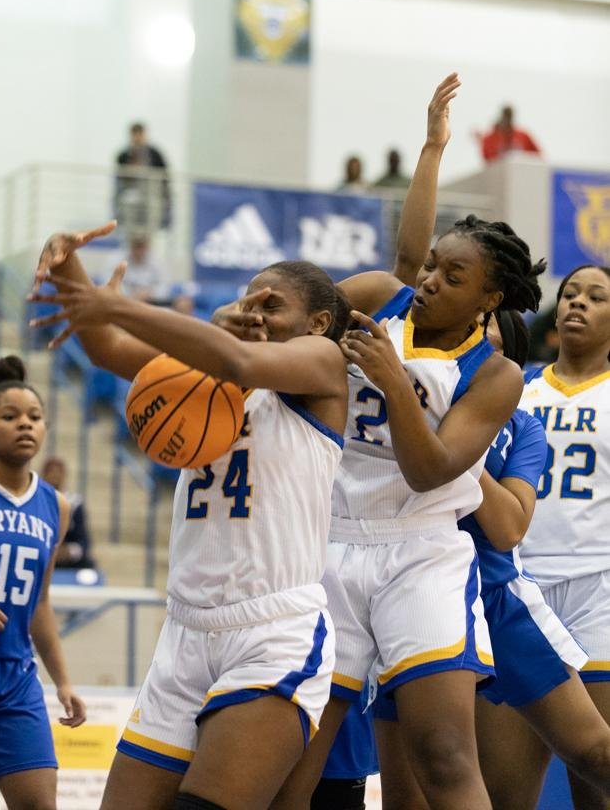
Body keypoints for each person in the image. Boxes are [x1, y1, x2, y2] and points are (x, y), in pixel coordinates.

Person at [216, 73, 546, 809]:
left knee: (441, 752)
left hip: (419, 551)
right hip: (326, 541)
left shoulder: (492, 376)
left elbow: (431, 470)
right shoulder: (375, 297)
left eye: (452, 276)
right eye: (432, 266)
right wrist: (432, 146)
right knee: (301, 751)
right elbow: (342, 292)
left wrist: (396, 385)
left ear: (488, 299)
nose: (430, 281)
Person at [30, 230, 350, 810]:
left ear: (319, 323)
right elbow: (103, 346)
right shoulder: (203, 378)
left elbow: (239, 356)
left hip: (272, 632)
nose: (254, 312)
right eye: (247, 300)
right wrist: (67, 264)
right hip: (183, 636)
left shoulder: (323, 367)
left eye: (272, 304)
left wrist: (122, 304)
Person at [372, 307, 610, 810]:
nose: (473, 360)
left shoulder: (523, 427)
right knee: (423, 786)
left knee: (593, 752)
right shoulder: (393, 400)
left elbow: (506, 529)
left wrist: (461, 449)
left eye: (491, 351)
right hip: (407, 588)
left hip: (497, 594)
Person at [487, 263, 610, 810]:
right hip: (520, 589)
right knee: (505, 791)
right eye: (570, 294)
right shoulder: (514, 390)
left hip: (599, 593)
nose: (577, 303)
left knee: (596, 780)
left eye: (597, 297)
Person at [0, 356, 86, 809]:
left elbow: (39, 603)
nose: (25, 425)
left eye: (34, 417)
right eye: (10, 417)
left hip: (14, 674)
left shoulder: (57, 506)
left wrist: (62, 680)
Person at [115, 122, 171, 232]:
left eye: (140, 134)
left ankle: (150, 235)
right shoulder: (123, 156)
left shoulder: (156, 155)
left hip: (152, 193)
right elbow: (120, 179)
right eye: (134, 135)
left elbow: (165, 177)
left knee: (154, 205)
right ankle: (131, 235)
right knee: (128, 202)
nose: (137, 138)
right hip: (131, 192)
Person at [42, 457, 95, 570]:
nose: (55, 476)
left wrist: (69, 552)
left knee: (89, 565)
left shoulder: (75, 503)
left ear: (64, 475)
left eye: (58, 472)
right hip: (41, 552)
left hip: (67, 559)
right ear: (44, 475)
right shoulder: (36, 502)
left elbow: (83, 540)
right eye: (51, 472)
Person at [476, 105, 542, 163]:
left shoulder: (523, 136)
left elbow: (538, 156)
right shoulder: (490, 139)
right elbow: (488, 162)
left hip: (521, 172)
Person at [119, 234, 169, 304]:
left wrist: (150, 293)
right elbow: (112, 285)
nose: (139, 251)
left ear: (147, 247)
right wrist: (132, 295)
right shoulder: (118, 260)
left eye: (141, 247)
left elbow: (164, 286)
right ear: (130, 247)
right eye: (136, 247)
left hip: (152, 302)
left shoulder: (157, 261)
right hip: (127, 302)